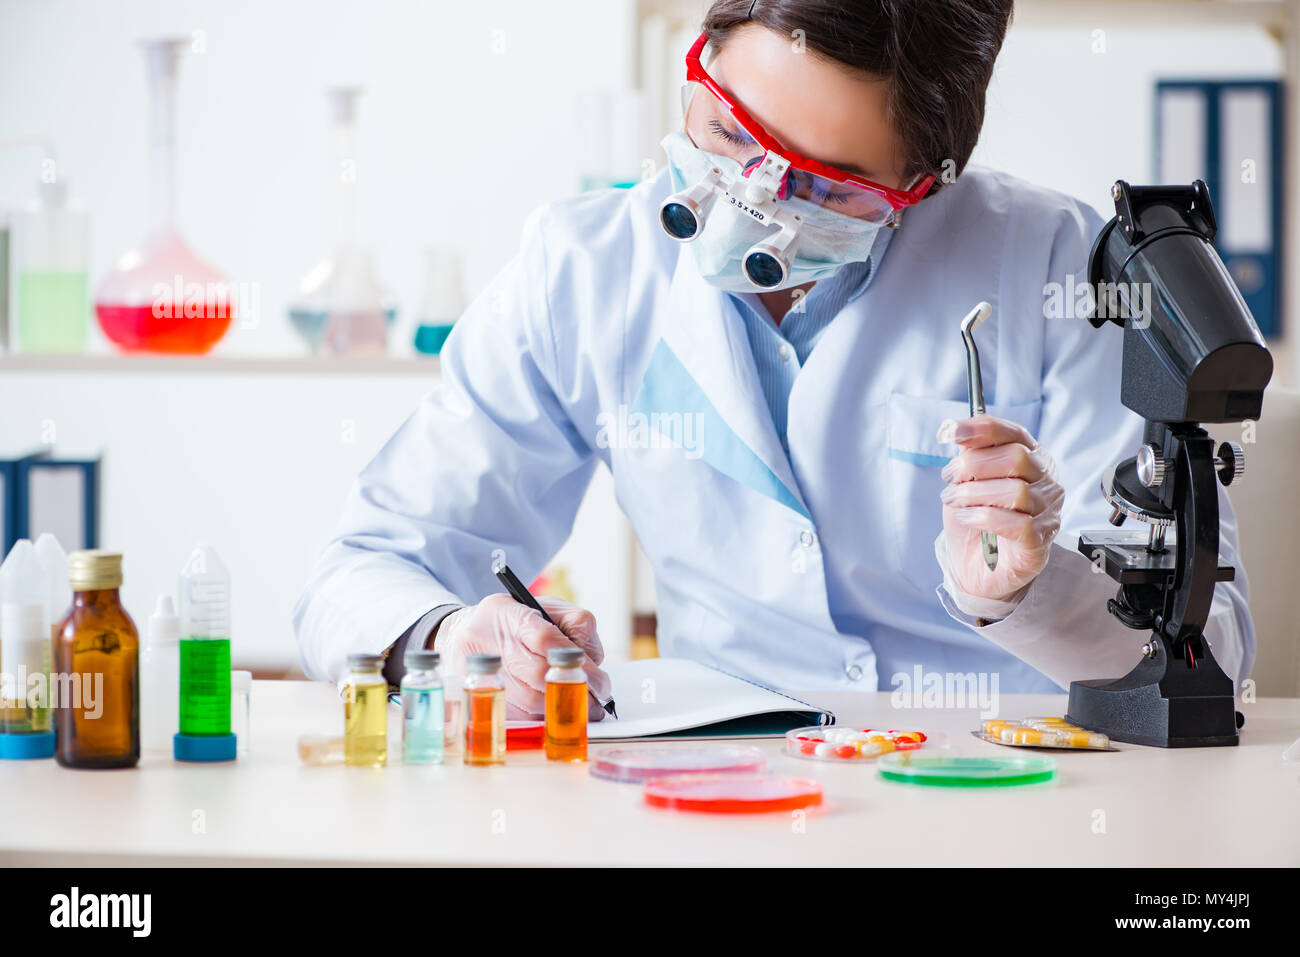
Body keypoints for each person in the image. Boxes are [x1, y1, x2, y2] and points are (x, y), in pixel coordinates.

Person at [294, 0, 1253, 717]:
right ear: (699, 59)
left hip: (1002, 793)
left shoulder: (1056, 263)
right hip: (717, 791)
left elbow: (1211, 651)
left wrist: (1025, 592)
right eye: (724, 133)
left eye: (824, 189)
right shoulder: (585, 271)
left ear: (919, 185)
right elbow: (364, 567)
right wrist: (453, 635)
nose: (753, 201)